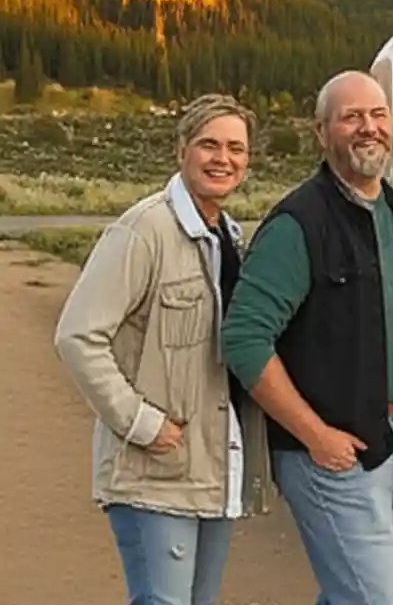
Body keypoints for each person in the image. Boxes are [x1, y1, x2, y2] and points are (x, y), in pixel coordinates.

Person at [221, 70, 393, 605]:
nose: (368, 128)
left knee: (352, 594)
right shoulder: (299, 225)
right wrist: (316, 435)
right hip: (327, 456)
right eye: (351, 117)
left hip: (390, 437)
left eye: (378, 114)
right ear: (322, 133)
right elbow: (245, 338)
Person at [53, 93, 273, 605]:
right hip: (153, 474)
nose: (223, 158)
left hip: (211, 473)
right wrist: (141, 423)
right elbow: (77, 335)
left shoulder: (227, 237)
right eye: (209, 145)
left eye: (235, 148)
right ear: (182, 150)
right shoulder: (144, 230)